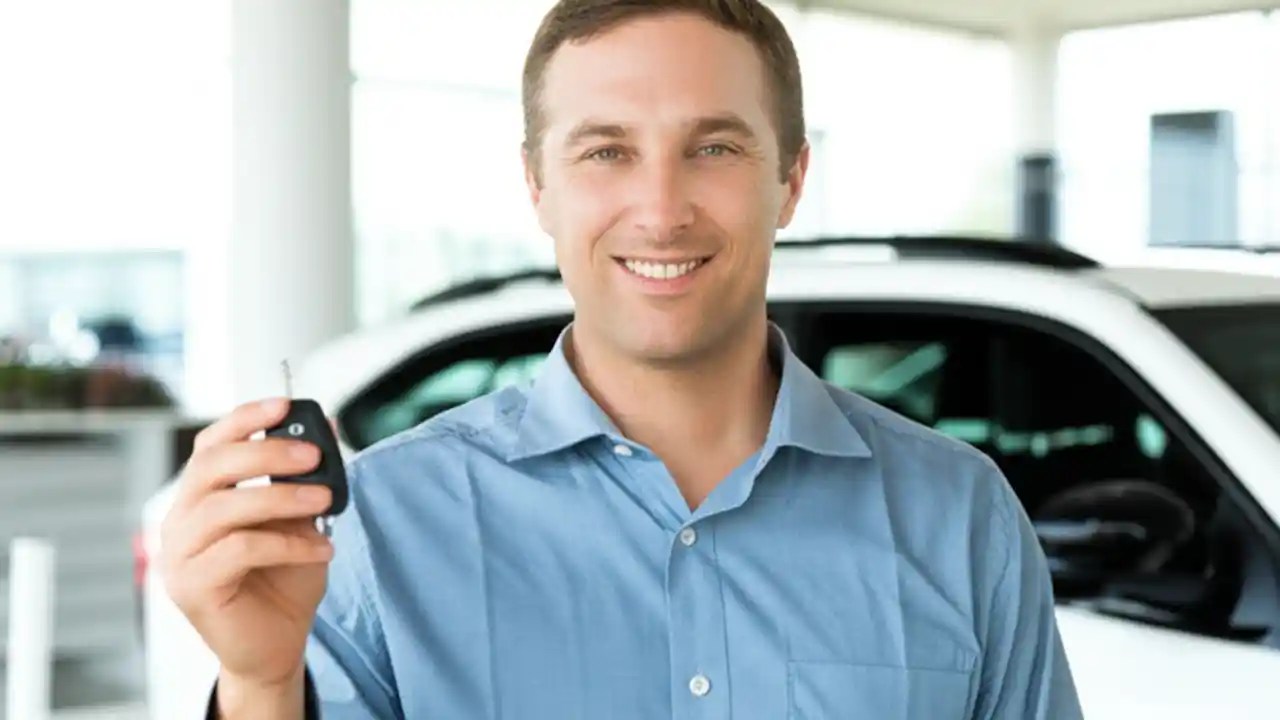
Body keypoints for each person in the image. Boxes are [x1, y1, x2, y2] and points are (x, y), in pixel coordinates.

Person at [162, 0, 1084, 717]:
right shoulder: (385, 530)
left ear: (791, 180)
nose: (661, 207)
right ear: (538, 186)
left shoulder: (958, 518)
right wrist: (259, 690)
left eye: (714, 146)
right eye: (606, 150)